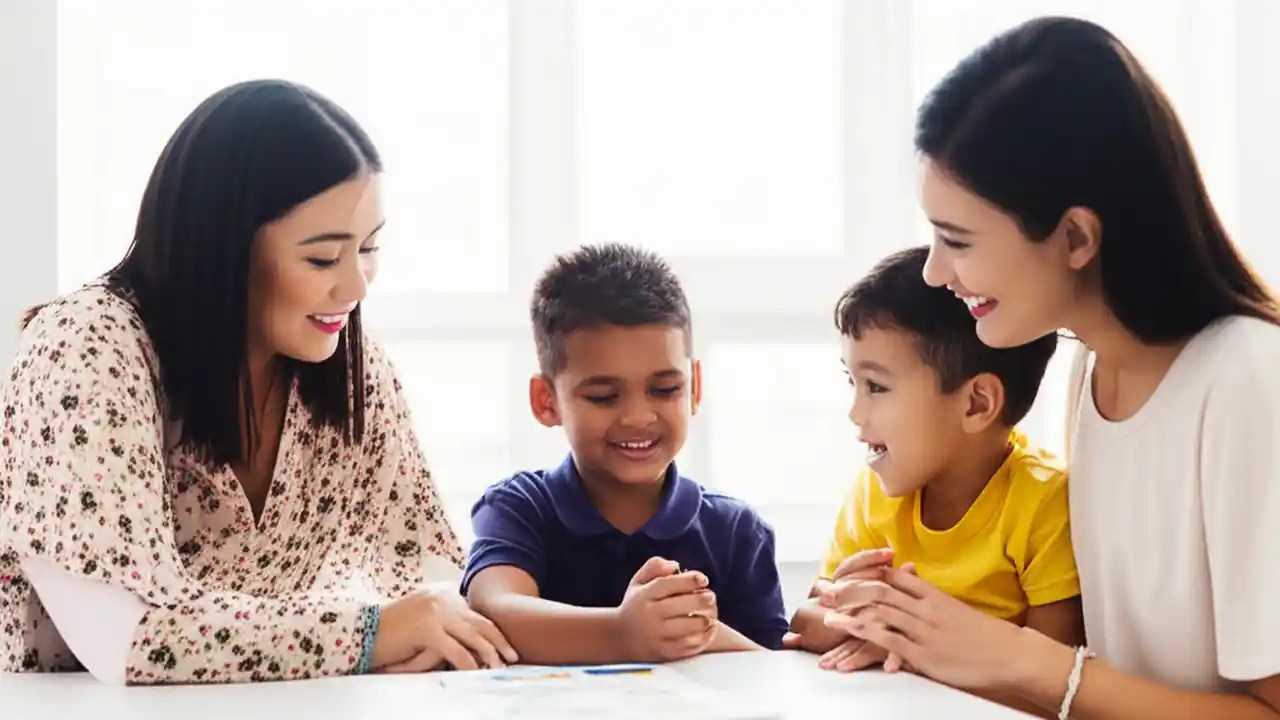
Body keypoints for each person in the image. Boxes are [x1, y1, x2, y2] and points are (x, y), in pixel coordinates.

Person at [820, 16, 1280, 719]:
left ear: (1074, 237)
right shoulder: (1092, 376)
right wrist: (901, 625)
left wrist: (1025, 662)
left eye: (958, 241)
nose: (939, 273)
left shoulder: (1247, 381)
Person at [0, 79, 515, 685]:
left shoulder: (351, 366)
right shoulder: (85, 348)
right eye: (324, 258)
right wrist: (372, 632)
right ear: (224, 249)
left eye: (370, 248)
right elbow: (128, 639)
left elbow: (430, 581)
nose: (356, 287)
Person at [462, 243, 788, 664]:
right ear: (547, 401)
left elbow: (774, 675)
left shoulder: (737, 532)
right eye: (604, 396)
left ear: (694, 387)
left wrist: (692, 632)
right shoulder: (520, 506)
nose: (638, 417)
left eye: (665, 389)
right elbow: (495, 611)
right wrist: (622, 633)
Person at [786, 246, 1080, 684]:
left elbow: (1055, 684)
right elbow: (805, 621)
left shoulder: (1044, 504)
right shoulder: (875, 491)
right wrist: (847, 610)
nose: (855, 412)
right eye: (854, 382)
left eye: (876, 387)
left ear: (976, 403)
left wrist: (906, 644)